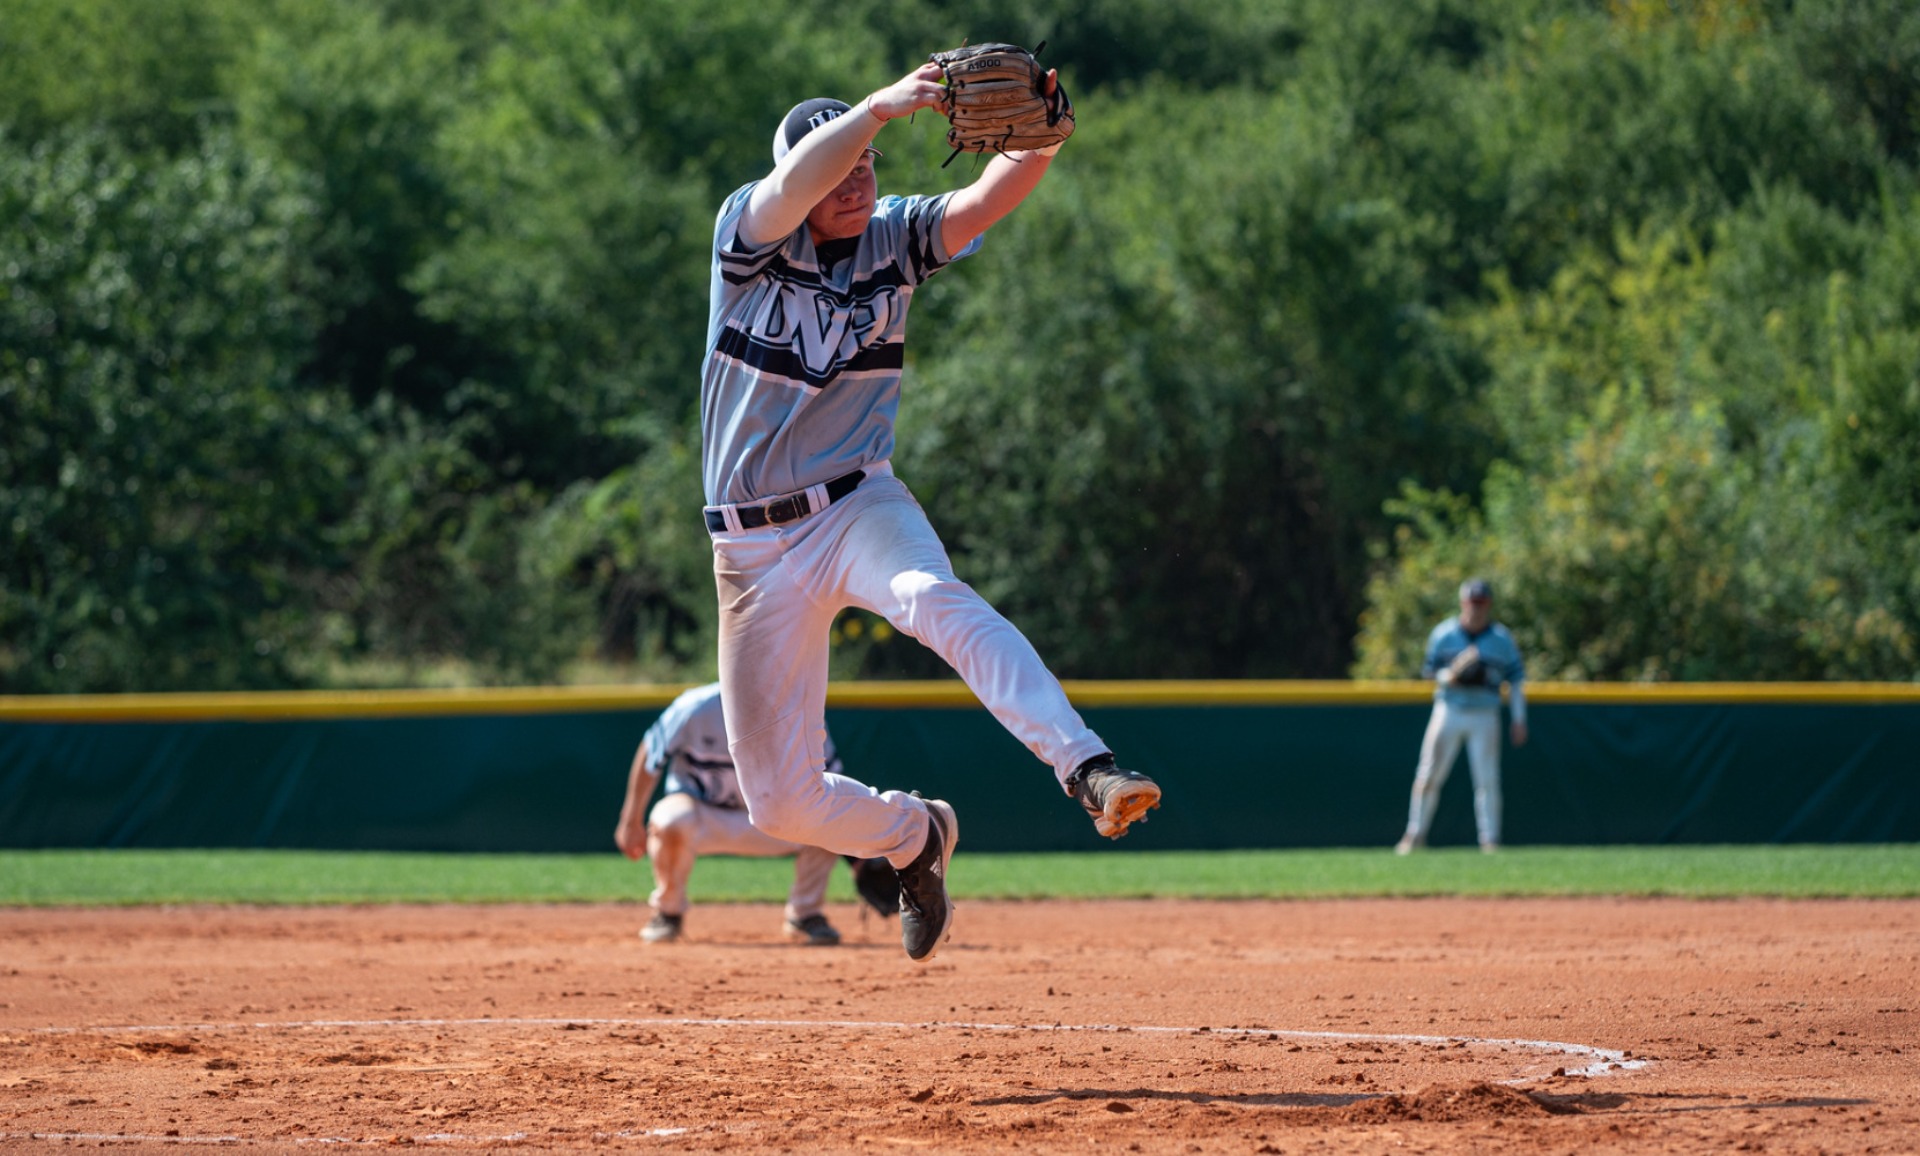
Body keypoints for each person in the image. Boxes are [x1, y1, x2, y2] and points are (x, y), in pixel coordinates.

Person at [697, 61, 1162, 963]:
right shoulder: (748, 239)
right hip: (750, 550)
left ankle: (1088, 767)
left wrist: (1044, 139)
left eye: (867, 165)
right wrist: (875, 111)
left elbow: (987, 198)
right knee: (780, 804)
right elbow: (792, 184)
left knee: (928, 596)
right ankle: (915, 835)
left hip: (855, 505)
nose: (856, 182)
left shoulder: (896, 235)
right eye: (840, 169)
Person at [615, 682, 884, 946]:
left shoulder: (796, 710)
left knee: (823, 815)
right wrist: (630, 820)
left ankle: (805, 914)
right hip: (704, 816)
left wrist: (857, 858)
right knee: (670, 819)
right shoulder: (695, 707)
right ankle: (668, 912)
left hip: (773, 821)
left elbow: (829, 786)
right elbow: (651, 751)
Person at [1395, 578, 1528, 854]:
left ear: (1488, 604)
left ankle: (1490, 840)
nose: (1476, 608)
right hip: (1450, 710)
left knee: (1487, 779)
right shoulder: (1444, 634)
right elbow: (1430, 673)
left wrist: (1519, 719)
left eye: (1481, 602)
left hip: (1485, 712)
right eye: (1472, 602)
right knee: (1428, 774)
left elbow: (1516, 680)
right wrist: (1451, 675)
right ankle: (1415, 834)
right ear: (1462, 603)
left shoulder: (1501, 639)